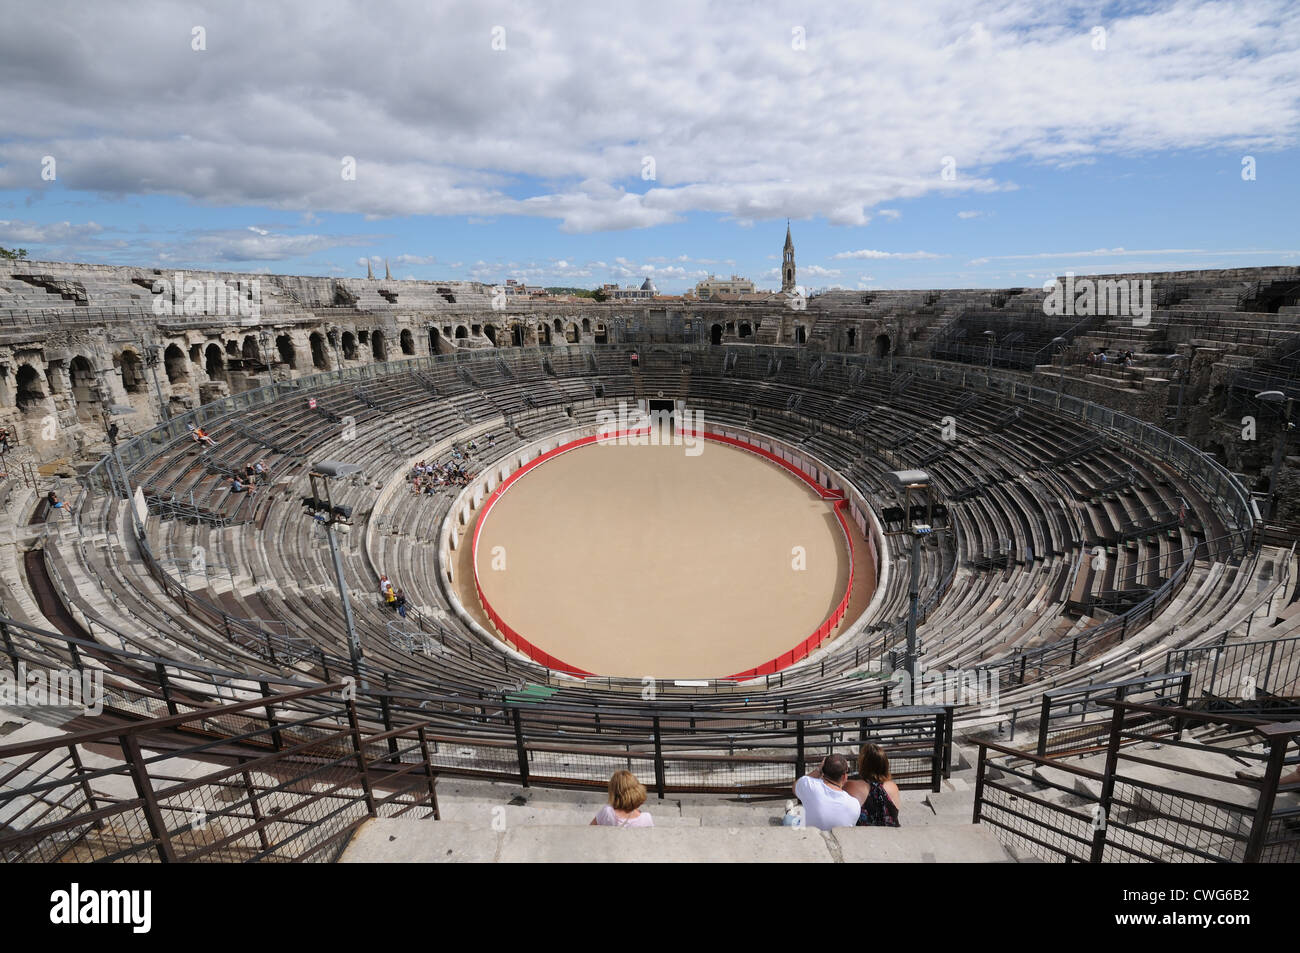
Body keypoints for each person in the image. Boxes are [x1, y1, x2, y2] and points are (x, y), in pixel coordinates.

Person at [793, 754, 860, 831]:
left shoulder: (808, 784)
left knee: (790, 818)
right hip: (835, 840)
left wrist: (818, 769)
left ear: (823, 770)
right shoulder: (854, 805)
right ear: (844, 776)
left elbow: (795, 786)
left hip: (809, 836)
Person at [845, 744, 901, 828]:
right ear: (885, 764)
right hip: (890, 836)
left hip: (861, 836)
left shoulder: (850, 785)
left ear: (863, 764)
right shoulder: (893, 787)